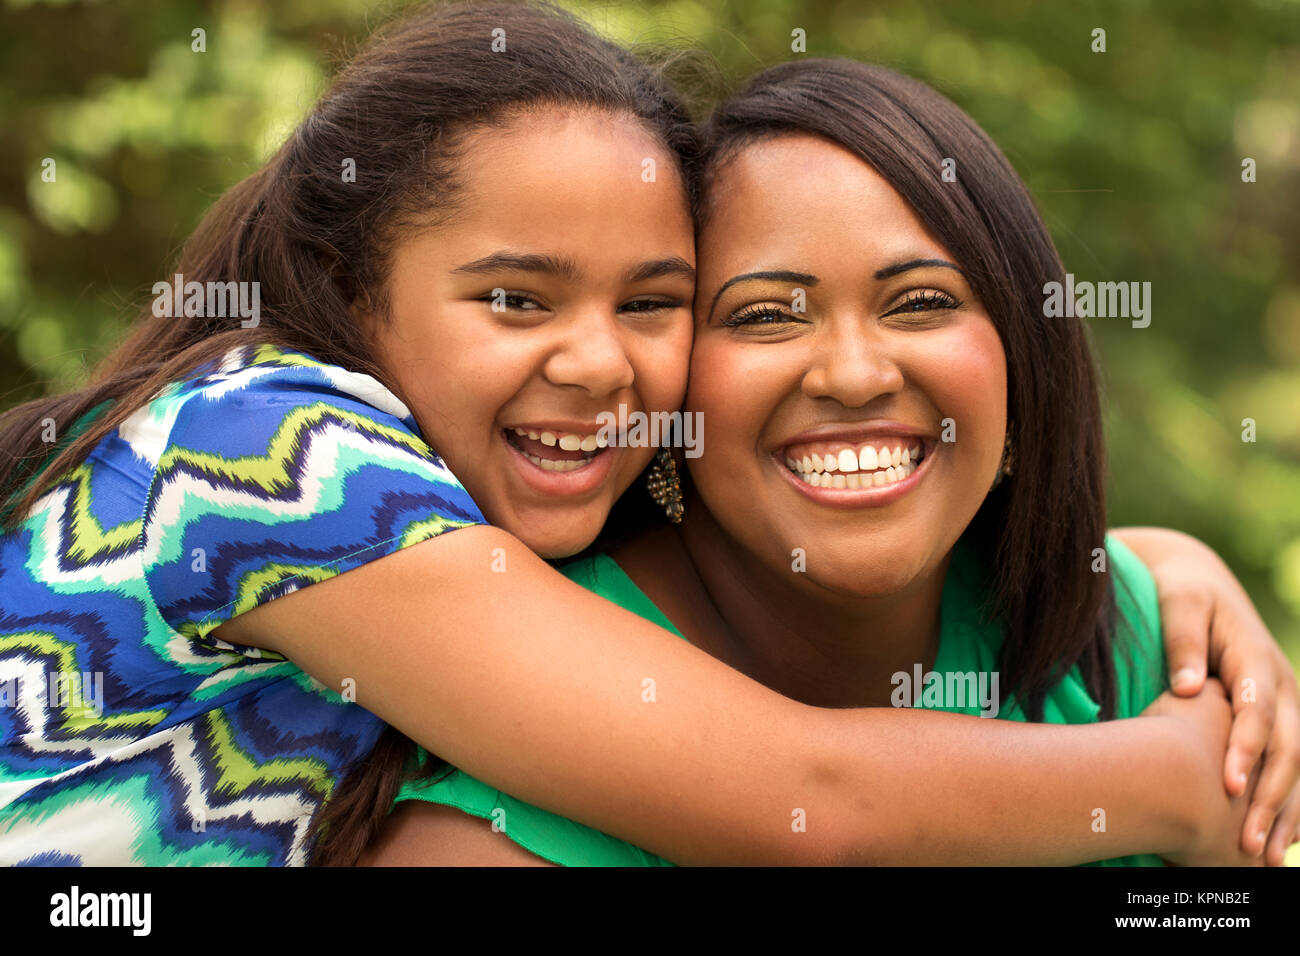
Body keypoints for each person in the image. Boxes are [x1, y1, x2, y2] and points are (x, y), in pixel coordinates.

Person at [0, 3, 1294, 867]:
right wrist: (1181, 778)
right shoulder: (272, 448)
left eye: (652, 303)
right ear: (349, 294)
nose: (599, 361)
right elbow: (813, 795)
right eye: (516, 296)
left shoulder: (476, 541)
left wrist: (1151, 558)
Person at [363, 57, 1300, 867]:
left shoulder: (1137, 643)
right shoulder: (540, 733)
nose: (853, 374)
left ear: (1024, 354)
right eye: (766, 315)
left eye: (924, 302)